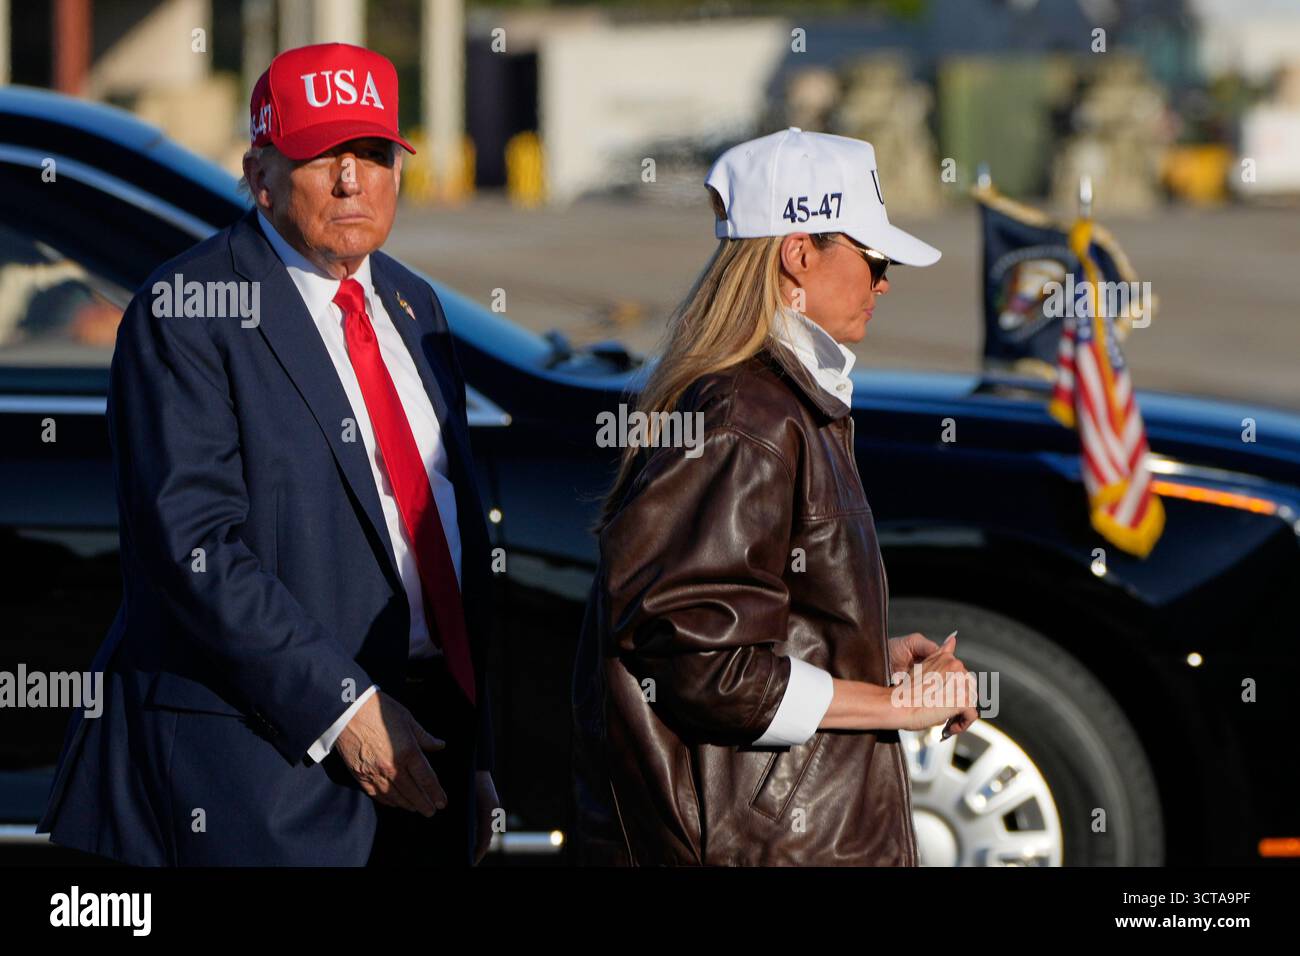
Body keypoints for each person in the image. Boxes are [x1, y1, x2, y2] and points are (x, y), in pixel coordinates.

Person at [36, 42, 498, 866]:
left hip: (425, 746)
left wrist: (472, 737)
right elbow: (194, 550)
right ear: (261, 172)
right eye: (323, 156)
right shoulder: (191, 310)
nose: (352, 179)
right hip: (267, 773)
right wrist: (346, 709)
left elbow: (440, 528)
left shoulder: (411, 301)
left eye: (374, 153)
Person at [572, 127, 979, 866]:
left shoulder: (776, 403)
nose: (883, 282)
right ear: (799, 253)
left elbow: (744, 633)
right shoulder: (746, 416)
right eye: (874, 258)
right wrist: (893, 705)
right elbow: (703, 666)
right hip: (760, 847)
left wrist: (867, 658)